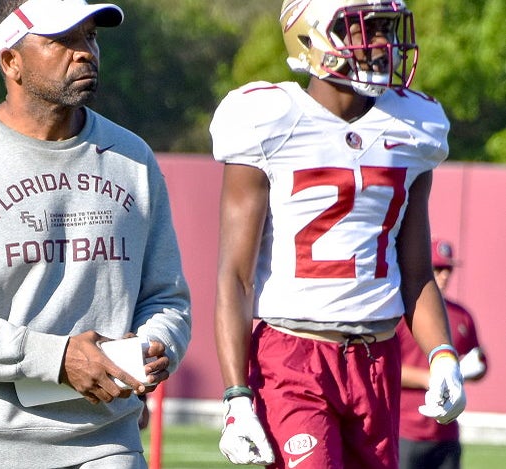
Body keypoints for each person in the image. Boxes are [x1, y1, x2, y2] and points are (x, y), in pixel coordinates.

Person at [0, 0, 192, 467]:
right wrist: (56, 359)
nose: (85, 51)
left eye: (90, 37)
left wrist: (155, 346)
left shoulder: (131, 157)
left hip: (104, 444)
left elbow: (166, 298)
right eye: (63, 40)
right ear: (11, 60)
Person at [209, 1, 466, 467]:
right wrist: (236, 395)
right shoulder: (266, 119)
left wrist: (442, 354)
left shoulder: (414, 127)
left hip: (377, 358)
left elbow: (416, 272)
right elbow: (236, 277)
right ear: (310, 33)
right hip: (293, 354)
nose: (383, 43)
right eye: (363, 29)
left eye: (386, 28)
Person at [398, 238, 488, 469]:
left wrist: (469, 369)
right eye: (438, 269)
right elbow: (385, 367)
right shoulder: (402, 314)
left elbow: (479, 361)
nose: (444, 275)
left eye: (448, 269)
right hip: (406, 430)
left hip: (447, 432)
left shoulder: (462, 316)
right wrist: (429, 378)